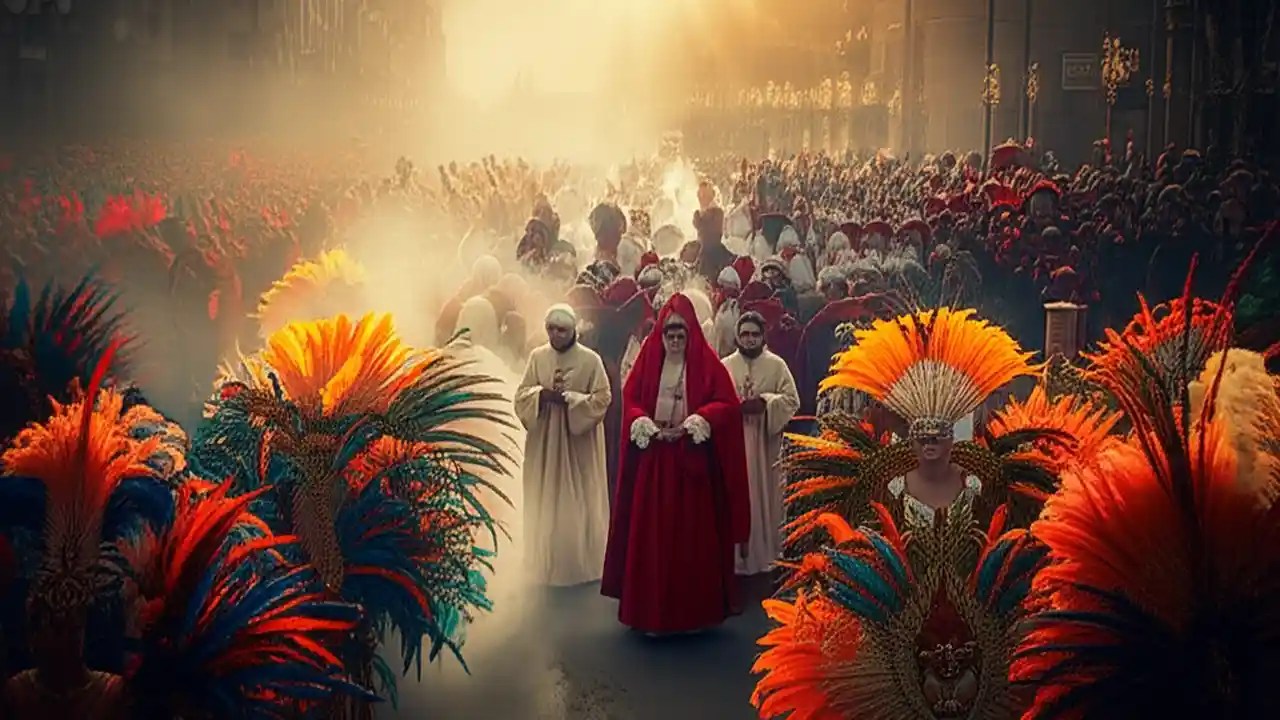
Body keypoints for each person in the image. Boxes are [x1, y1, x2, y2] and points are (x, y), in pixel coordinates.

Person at [602, 293, 749, 635]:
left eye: (681, 334)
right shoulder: (648, 361)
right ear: (662, 335)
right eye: (670, 334)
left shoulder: (709, 365)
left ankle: (692, 616)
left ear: (691, 334)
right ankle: (650, 613)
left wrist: (697, 420)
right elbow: (632, 398)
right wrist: (643, 422)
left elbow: (726, 404)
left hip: (690, 463)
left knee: (691, 540)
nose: (675, 340)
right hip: (655, 462)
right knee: (651, 538)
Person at [514, 304, 613, 586]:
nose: (555, 335)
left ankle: (580, 564)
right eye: (551, 329)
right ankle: (542, 564)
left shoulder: (590, 360)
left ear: (573, 331)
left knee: (578, 497)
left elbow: (603, 398)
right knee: (545, 496)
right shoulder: (537, 357)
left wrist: (573, 401)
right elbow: (521, 395)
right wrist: (540, 396)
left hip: (577, 443)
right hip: (545, 443)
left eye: (562, 330)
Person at [721, 312, 799, 576]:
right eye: (745, 334)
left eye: (755, 334)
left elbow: (791, 400)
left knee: (766, 497)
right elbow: (715, 401)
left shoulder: (777, 365)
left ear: (763, 336)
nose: (750, 339)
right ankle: (736, 557)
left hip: (767, 443)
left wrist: (766, 403)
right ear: (737, 336)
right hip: (736, 441)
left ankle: (767, 553)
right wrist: (734, 409)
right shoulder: (725, 366)